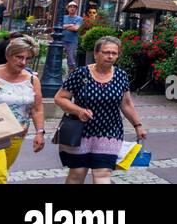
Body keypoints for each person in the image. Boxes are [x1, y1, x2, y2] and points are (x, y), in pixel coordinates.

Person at [54, 34, 146, 184]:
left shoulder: (121, 76)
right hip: (80, 131)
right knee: (77, 173)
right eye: (106, 52)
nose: (110, 56)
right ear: (96, 54)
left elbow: (126, 103)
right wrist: (78, 110)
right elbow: (60, 98)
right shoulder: (80, 74)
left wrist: (138, 126)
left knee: (102, 175)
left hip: (110, 131)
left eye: (114, 53)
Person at [0, 36, 46, 184]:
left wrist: (40, 132)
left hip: (17, 134)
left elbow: (37, 108)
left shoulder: (32, 80)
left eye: (28, 59)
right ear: (8, 55)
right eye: (19, 57)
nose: (23, 62)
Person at [60, 2, 84, 72]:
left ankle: (71, 75)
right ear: (68, 8)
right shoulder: (63, 17)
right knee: (58, 57)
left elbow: (76, 28)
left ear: (76, 9)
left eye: (74, 7)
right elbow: (60, 27)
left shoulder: (79, 18)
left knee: (71, 60)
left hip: (72, 41)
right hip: (61, 40)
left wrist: (65, 26)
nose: (72, 8)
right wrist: (71, 25)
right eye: (70, 7)